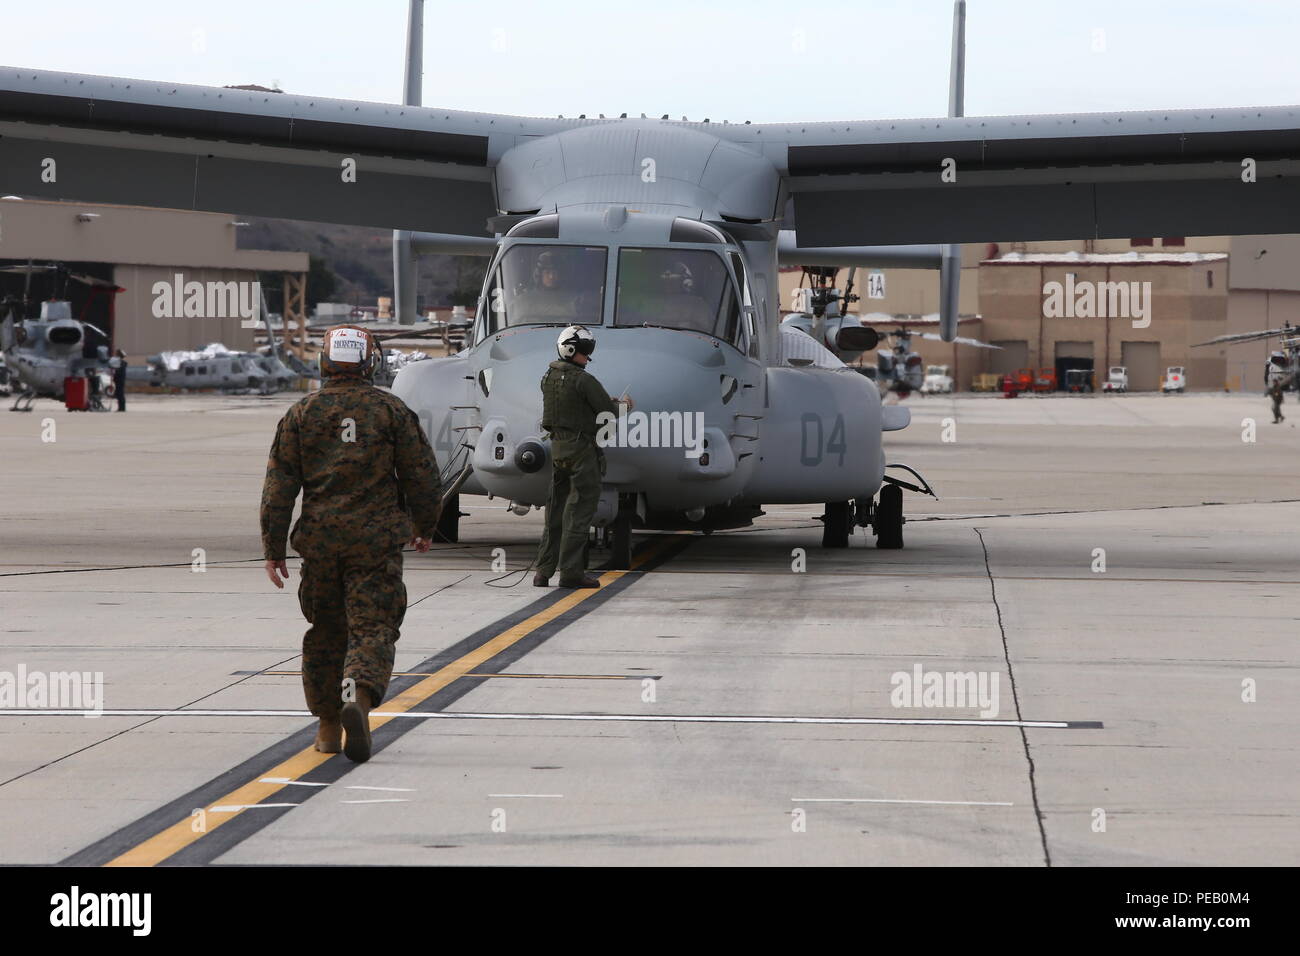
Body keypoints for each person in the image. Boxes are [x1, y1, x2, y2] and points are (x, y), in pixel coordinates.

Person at [260, 324, 442, 763]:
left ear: (325, 362)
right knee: (372, 628)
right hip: (375, 544)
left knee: (326, 632)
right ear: (370, 363)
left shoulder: (301, 414)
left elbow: (279, 486)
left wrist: (273, 547)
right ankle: (357, 700)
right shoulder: (391, 411)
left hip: (320, 545)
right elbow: (422, 475)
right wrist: (425, 525)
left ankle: (326, 728)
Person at [533, 325, 632, 589]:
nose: (588, 358)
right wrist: (624, 406)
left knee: (554, 512)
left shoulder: (548, 377)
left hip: (558, 450)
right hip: (581, 453)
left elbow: (569, 407)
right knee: (579, 512)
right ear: (572, 350)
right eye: (585, 353)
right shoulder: (583, 380)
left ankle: (543, 571)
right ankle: (571, 574)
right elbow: (607, 412)